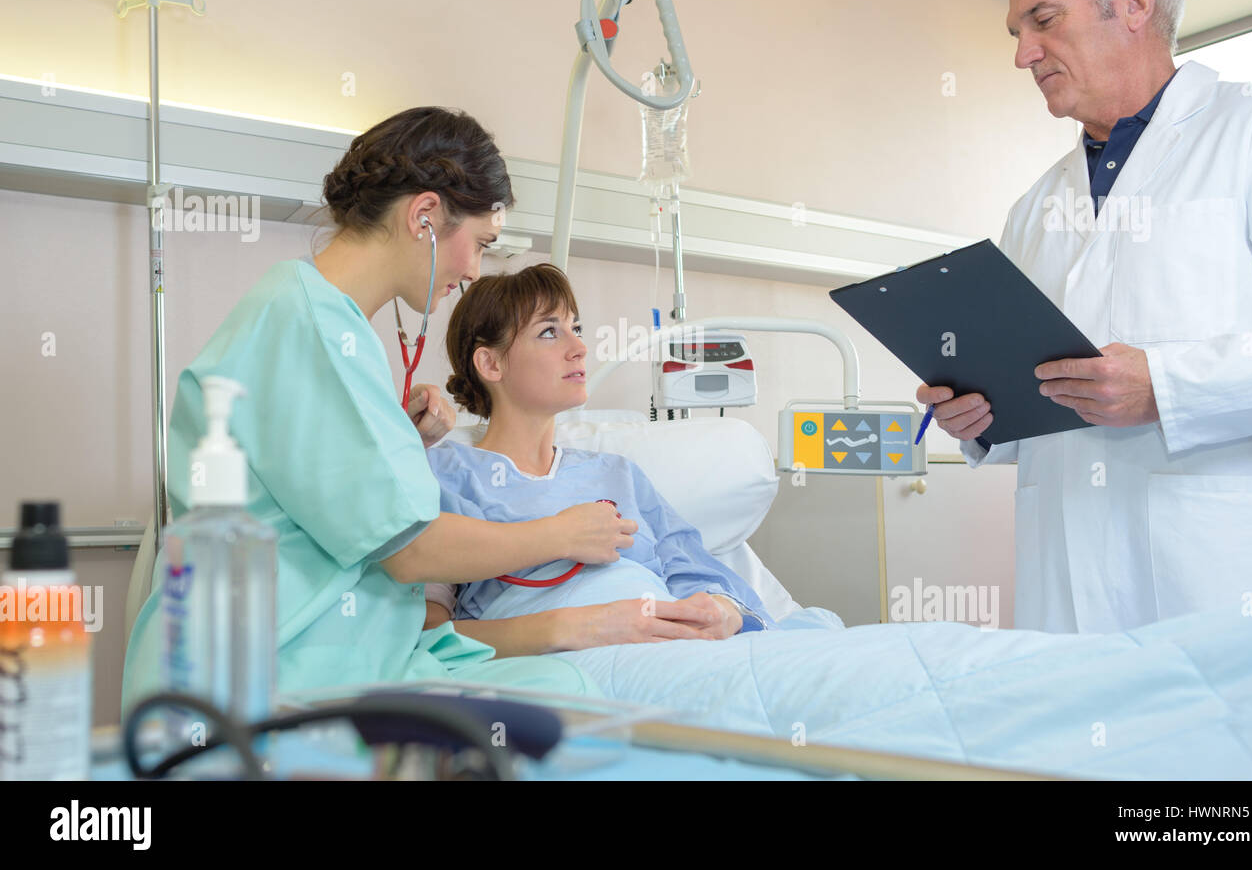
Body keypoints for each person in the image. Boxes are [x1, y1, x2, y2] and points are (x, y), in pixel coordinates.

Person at [123, 108, 631, 711]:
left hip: (345, 652)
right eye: (480, 244)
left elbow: (317, 491)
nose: (473, 270)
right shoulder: (308, 320)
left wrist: (400, 443)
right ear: (425, 216)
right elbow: (412, 550)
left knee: (569, 694)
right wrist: (561, 533)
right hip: (276, 671)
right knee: (567, 713)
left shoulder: (319, 318)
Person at [918, 0, 1252, 632]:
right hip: (1063, 582)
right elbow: (1034, 401)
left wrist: (1168, 384)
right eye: (1017, 33)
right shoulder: (1033, 207)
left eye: (1042, 20)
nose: (1023, 54)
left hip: (1221, 577)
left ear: (1133, 3)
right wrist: (979, 417)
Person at [421, 263, 781, 657]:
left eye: (576, 328)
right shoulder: (443, 475)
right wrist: (575, 626)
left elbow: (703, 578)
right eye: (548, 332)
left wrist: (725, 613)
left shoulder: (618, 474)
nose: (579, 348)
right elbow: (426, 640)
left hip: (672, 644)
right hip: (568, 661)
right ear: (491, 364)